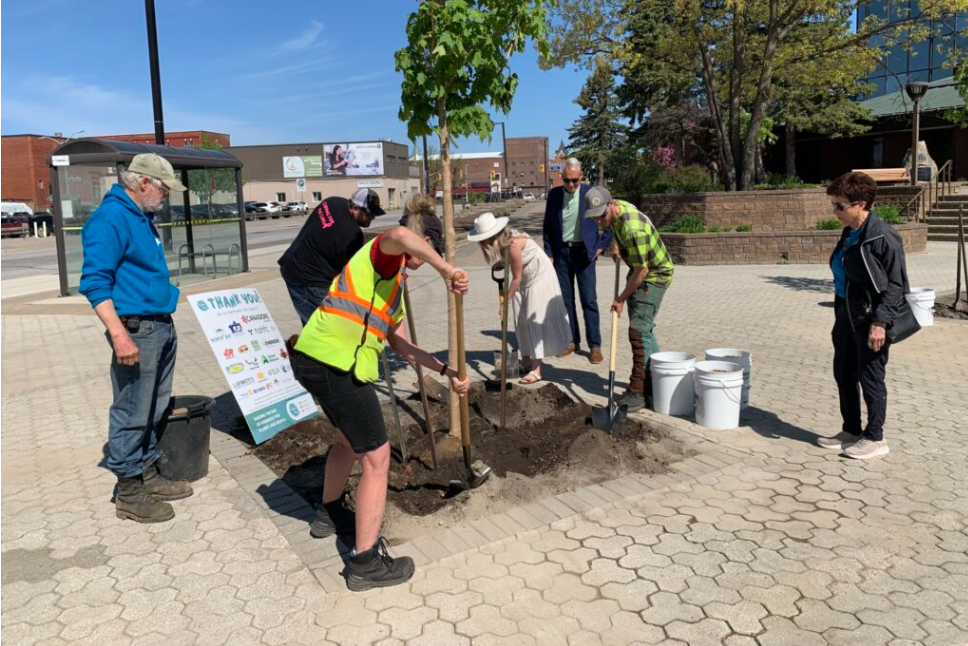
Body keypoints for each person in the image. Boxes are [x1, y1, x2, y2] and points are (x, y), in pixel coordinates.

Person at [291, 206, 470, 591]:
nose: (428, 253)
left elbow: (402, 344)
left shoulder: (394, 285)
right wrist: (446, 270)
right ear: (424, 244)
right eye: (431, 246)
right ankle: (365, 562)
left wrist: (445, 371)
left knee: (346, 441)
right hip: (334, 364)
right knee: (377, 455)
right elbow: (403, 236)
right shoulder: (385, 255)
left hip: (315, 360)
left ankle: (329, 512)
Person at [79, 153, 194, 523]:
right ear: (143, 182)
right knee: (132, 409)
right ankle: (129, 491)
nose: (165, 197)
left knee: (154, 406)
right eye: (163, 189)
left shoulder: (141, 216)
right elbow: (95, 284)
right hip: (135, 330)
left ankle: (145, 471)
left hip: (158, 324)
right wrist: (118, 335)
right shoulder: (110, 219)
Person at [817, 172, 909, 460]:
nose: (835, 212)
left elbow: (897, 285)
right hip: (846, 311)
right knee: (844, 372)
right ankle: (851, 430)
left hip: (872, 318)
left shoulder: (883, 236)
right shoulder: (849, 233)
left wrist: (880, 323)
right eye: (833, 205)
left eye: (839, 206)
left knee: (870, 376)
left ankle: (875, 437)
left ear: (861, 204)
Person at [584, 186, 674, 412]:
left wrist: (620, 298)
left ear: (611, 204)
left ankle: (639, 392)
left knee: (638, 331)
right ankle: (655, 383)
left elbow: (642, 271)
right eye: (594, 216)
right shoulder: (617, 211)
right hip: (640, 269)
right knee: (645, 330)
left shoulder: (633, 228)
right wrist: (616, 246)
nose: (599, 220)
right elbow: (616, 230)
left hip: (654, 275)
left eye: (601, 215)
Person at [468, 212, 572, 383]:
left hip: (540, 277)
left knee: (533, 320)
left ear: (492, 236)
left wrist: (505, 301)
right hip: (524, 279)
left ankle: (537, 370)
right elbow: (516, 273)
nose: (483, 243)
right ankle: (526, 361)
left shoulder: (513, 244)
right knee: (520, 320)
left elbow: (515, 278)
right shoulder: (502, 244)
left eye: (484, 239)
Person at [278, 188, 385, 325]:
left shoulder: (333, 202)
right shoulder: (351, 234)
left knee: (315, 327)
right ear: (355, 208)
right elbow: (352, 272)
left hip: (292, 264)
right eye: (370, 214)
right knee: (321, 329)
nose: (373, 218)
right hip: (308, 281)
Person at [543, 158, 612, 363]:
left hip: (584, 254)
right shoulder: (554, 195)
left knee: (589, 300)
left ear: (581, 177)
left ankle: (595, 345)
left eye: (574, 180)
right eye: (567, 180)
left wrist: (601, 245)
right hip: (561, 254)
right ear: (561, 178)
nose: (571, 184)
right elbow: (547, 225)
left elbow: (610, 220)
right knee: (565, 301)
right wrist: (549, 252)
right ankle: (572, 340)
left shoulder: (591, 193)